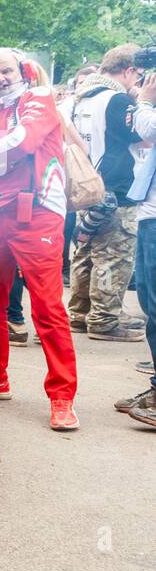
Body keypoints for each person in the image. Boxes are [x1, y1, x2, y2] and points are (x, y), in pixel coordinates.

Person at [0, 49, 78, 430]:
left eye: (6, 71)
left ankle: (62, 397)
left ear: (25, 72)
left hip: (39, 216)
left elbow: (25, 141)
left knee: (47, 308)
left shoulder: (40, 99)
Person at [68, 44, 149, 340]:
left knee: (86, 252)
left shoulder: (81, 97)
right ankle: (104, 319)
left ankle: (80, 313)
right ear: (129, 70)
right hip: (116, 187)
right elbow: (143, 137)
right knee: (113, 254)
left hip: (88, 186)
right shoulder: (116, 99)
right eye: (137, 76)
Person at [116, 70, 156, 425]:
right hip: (150, 213)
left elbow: (150, 129)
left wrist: (144, 100)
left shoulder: (147, 108)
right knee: (149, 302)